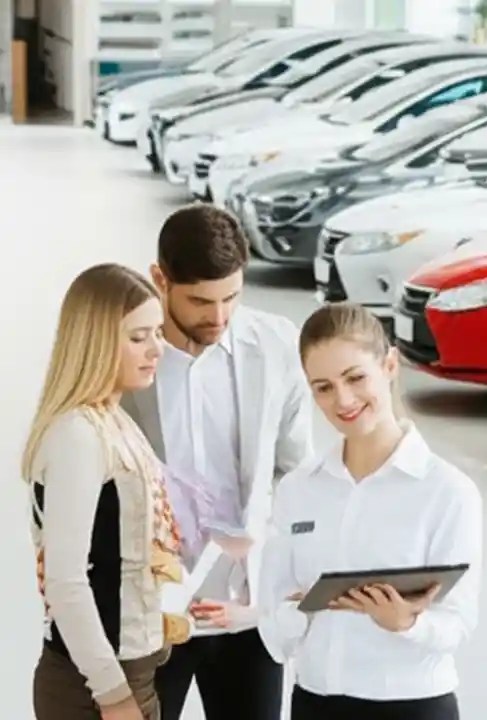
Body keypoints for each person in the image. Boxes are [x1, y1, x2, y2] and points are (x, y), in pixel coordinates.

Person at [118, 204, 313, 720]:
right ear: (160, 279)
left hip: (245, 611)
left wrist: (275, 557)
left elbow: (294, 471)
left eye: (232, 297)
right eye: (201, 301)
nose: (220, 317)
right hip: (152, 613)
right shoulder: (121, 354)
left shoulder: (276, 346)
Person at [258, 304, 482, 720]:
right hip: (316, 703)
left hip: (413, 706)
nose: (343, 400)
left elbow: (459, 622)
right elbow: (273, 629)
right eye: (323, 387)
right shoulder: (298, 491)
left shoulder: (448, 492)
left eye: (356, 377)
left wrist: (407, 623)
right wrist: (300, 611)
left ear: (390, 365)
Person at [24, 263, 188, 720]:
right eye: (138, 337)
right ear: (94, 340)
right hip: (97, 684)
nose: (157, 348)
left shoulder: (114, 421)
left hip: (129, 671)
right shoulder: (78, 433)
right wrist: (113, 695)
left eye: (158, 332)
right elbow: (66, 580)